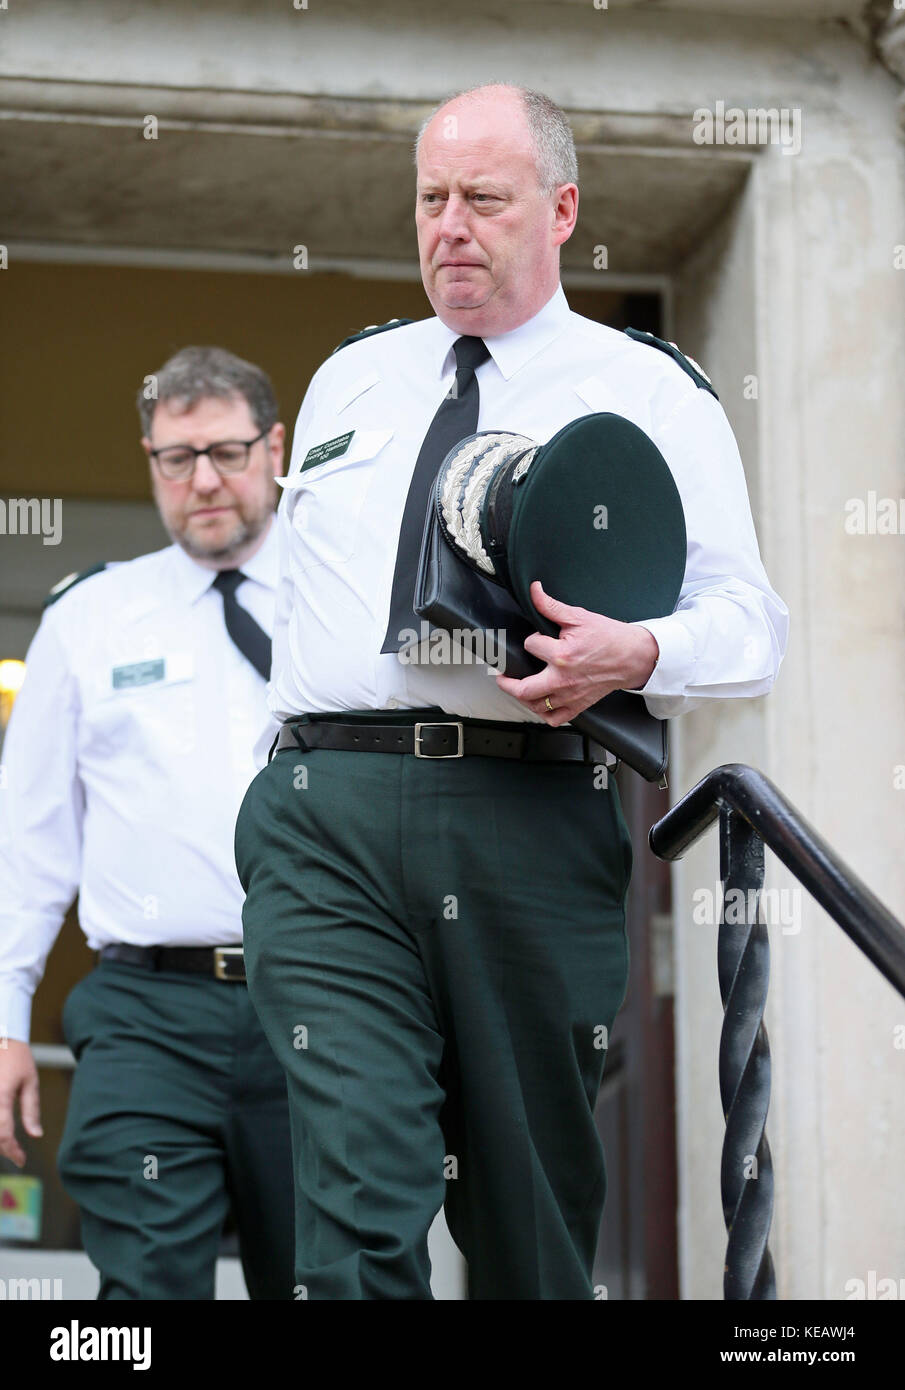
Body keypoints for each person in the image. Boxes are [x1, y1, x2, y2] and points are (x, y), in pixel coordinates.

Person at [236, 84, 789, 1300]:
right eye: (430, 199)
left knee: (526, 1212)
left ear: (560, 208)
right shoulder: (348, 380)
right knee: (357, 1187)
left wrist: (635, 654)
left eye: (483, 199)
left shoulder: (648, 390)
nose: (449, 226)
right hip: (322, 814)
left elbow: (750, 626)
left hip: (524, 817)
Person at [0, 346, 295, 1300]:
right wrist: (5, 1022)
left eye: (226, 450)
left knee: (339, 1280)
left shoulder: (344, 601)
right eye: (176, 457)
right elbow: (29, 838)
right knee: (144, 1288)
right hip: (145, 1015)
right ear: (151, 461)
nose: (202, 479)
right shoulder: (91, 620)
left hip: (322, 1004)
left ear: (276, 448)